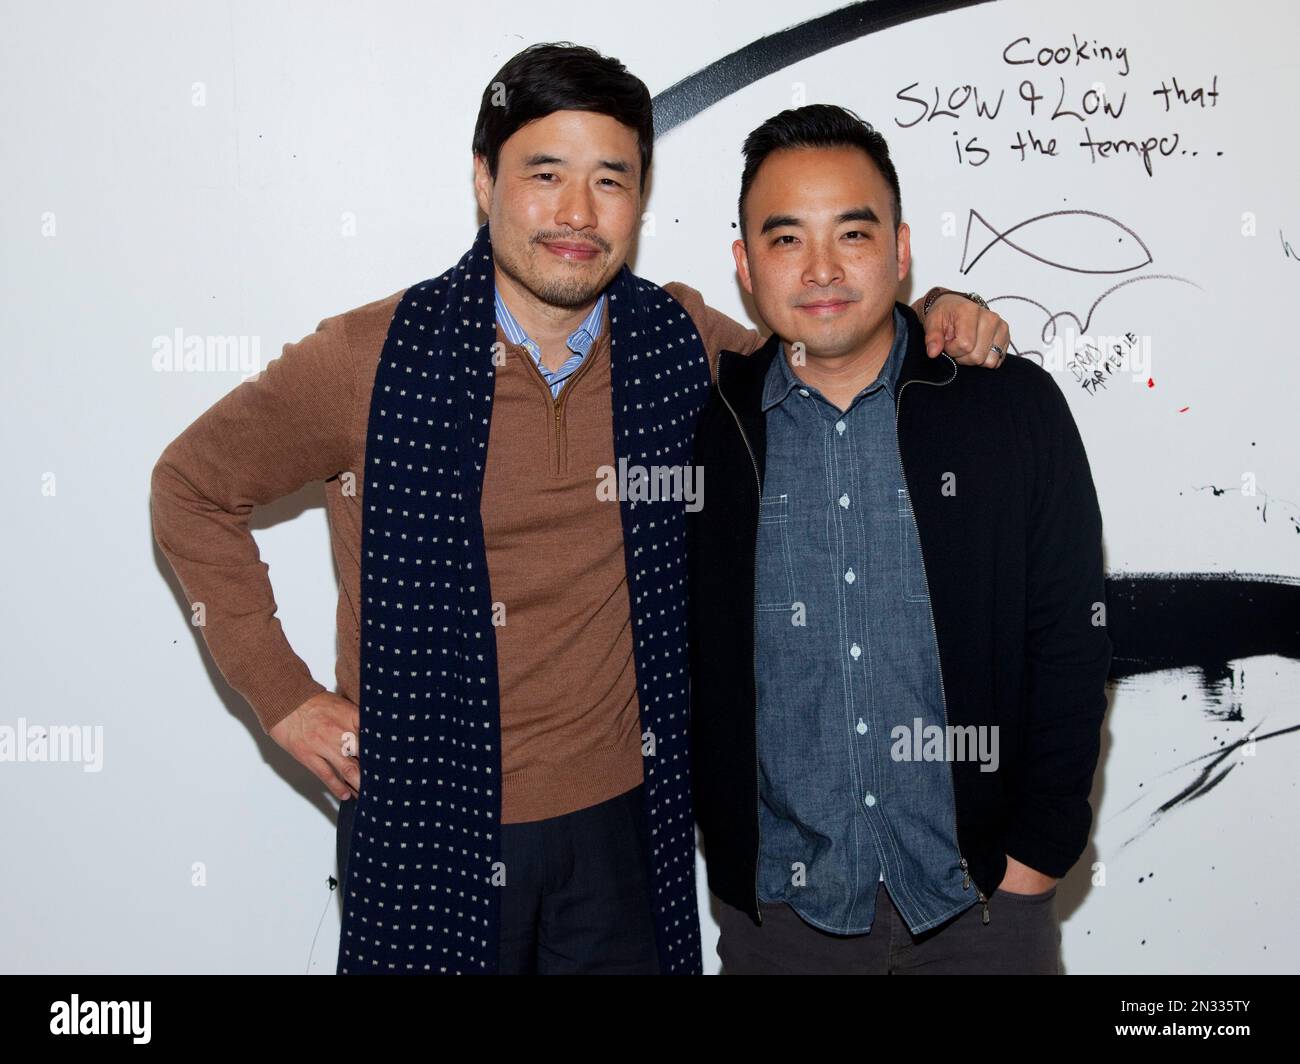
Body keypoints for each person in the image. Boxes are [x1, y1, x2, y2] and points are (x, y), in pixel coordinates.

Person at [150, 45, 1011, 975]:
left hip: (625, 829)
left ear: (639, 200)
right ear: (485, 181)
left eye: (610, 180)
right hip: (424, 827)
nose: (576, 213)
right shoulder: (370, 358)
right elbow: (190, 487)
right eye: (544, 174)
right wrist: (285, 700)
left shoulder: (679, 340)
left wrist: (937, 309)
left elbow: (827, 343)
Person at [687, 104, 1111, 974]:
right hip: (781, 917)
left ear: (901, 249)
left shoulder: (1007, 408)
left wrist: (1035, 865)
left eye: (853, 232)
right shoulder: (710, 432)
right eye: (785, 239)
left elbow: (1073, 641)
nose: (822, 268)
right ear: (744, 265)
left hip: (982, 908)